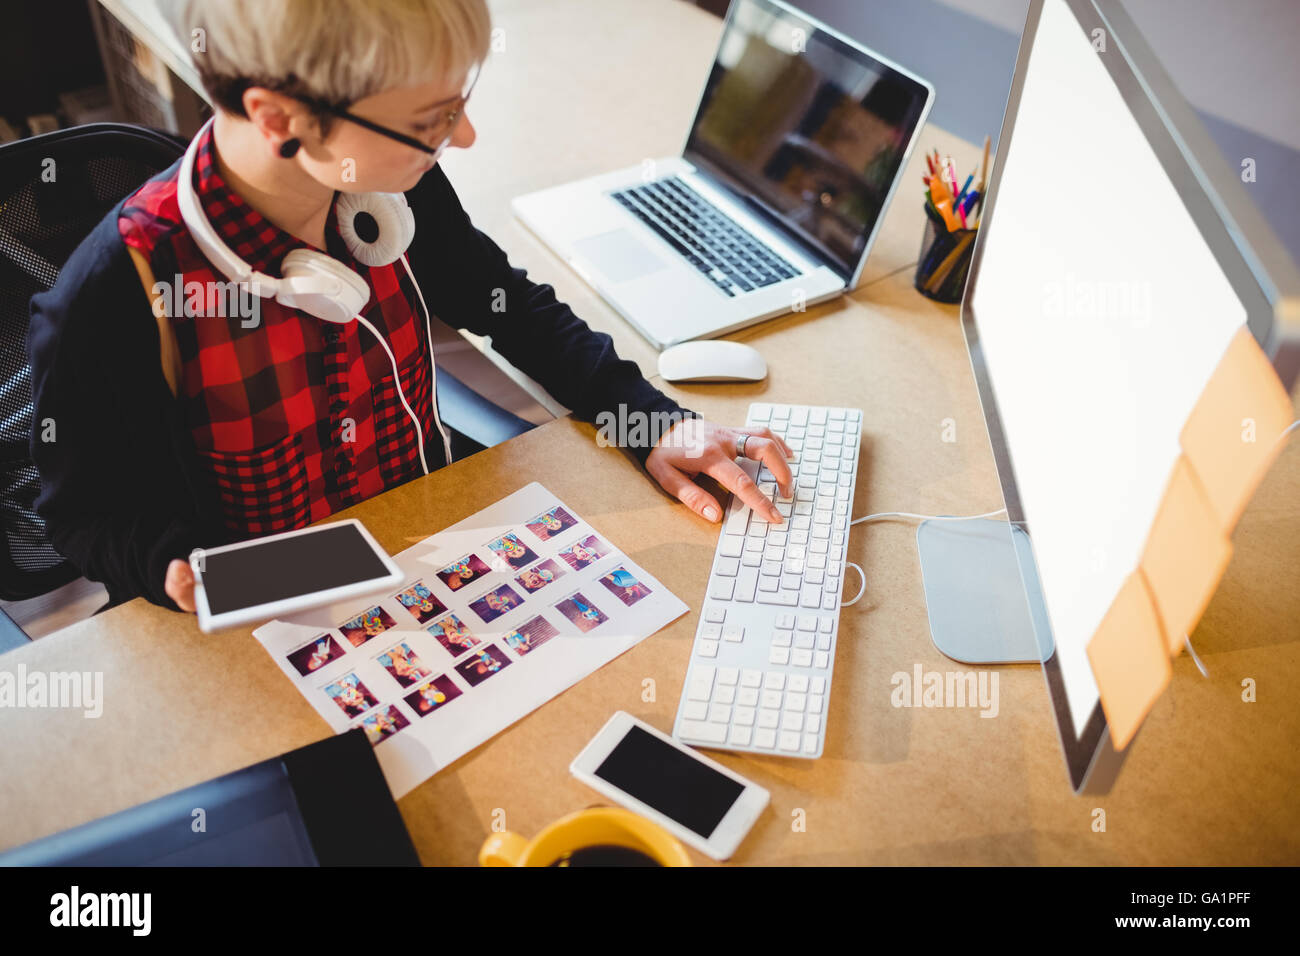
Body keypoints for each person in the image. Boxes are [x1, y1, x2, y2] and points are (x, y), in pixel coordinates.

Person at [26, 0, 793, 617]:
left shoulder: (388, 191)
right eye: (431, 121)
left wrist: (648, 418)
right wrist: (173, 569)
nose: (463, 136)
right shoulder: (117, 293)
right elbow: (86, 517)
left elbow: (508, 306)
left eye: (459, 105)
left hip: (432, 557)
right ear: (280, 118)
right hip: (275, 626)